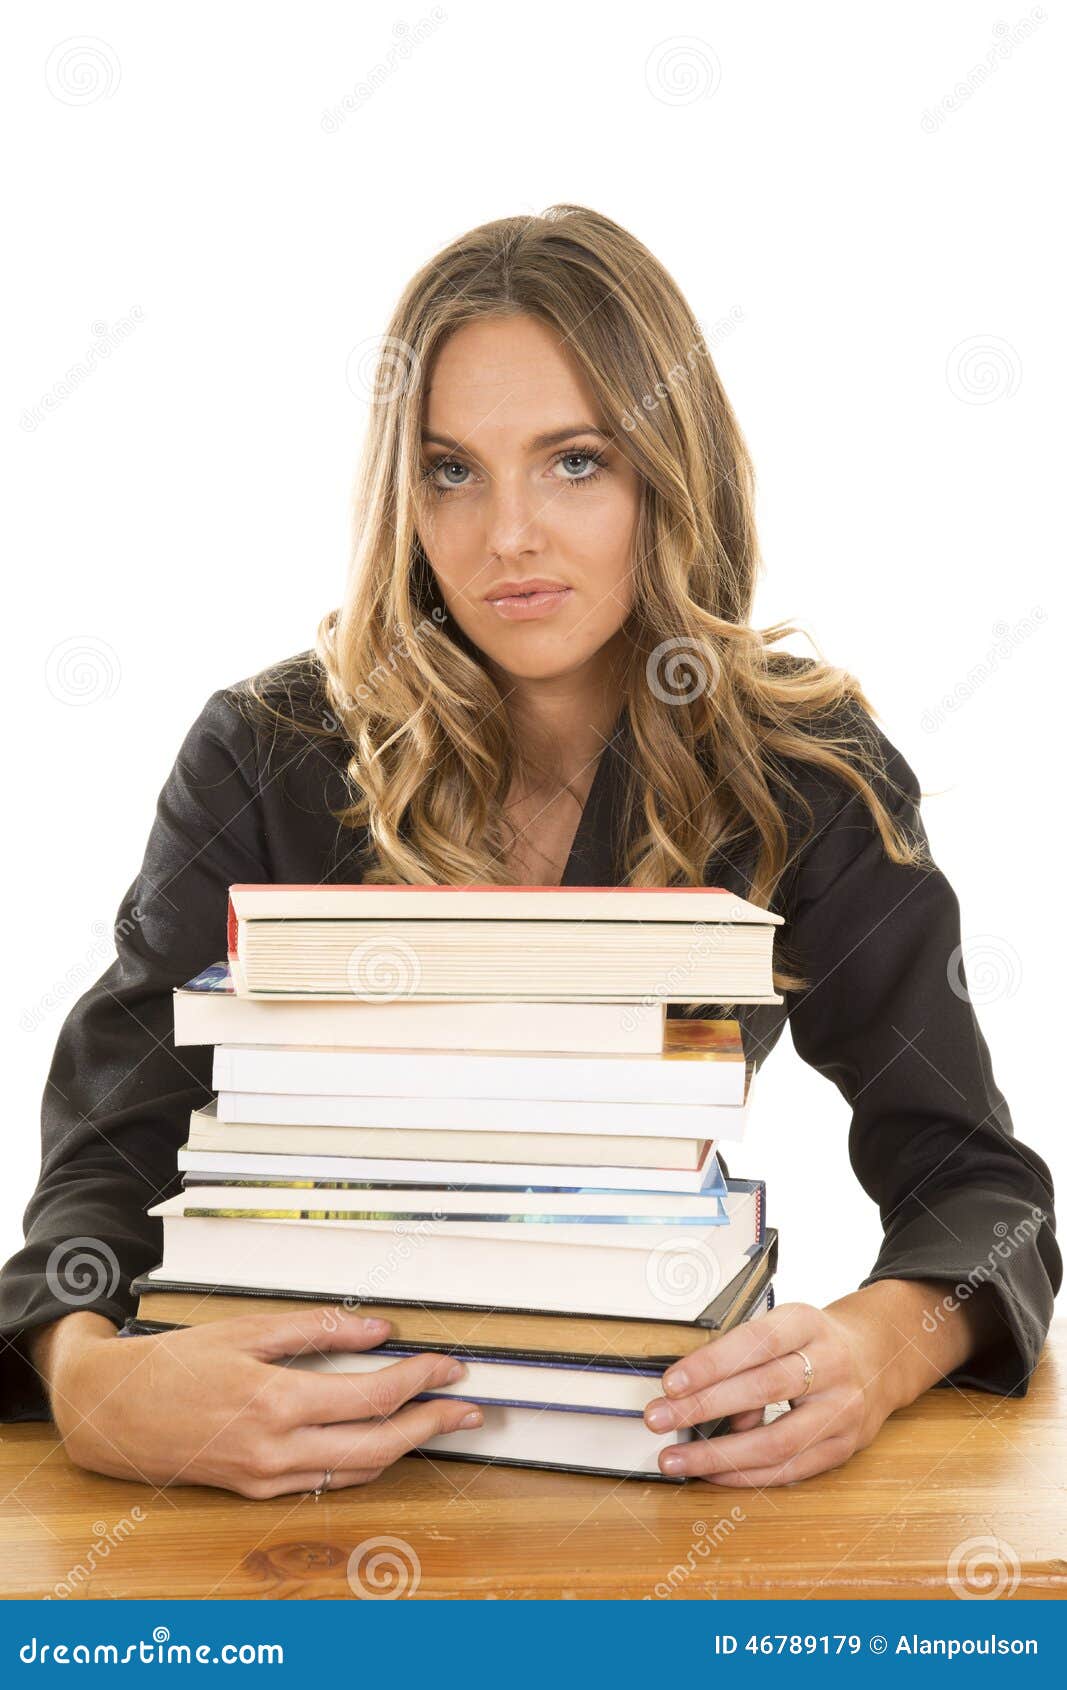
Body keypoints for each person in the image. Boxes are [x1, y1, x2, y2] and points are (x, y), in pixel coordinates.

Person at [1, 205, 1058, 1497]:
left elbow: (974, 1183)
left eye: (574, 462)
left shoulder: (799, 772)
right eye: (451, 470)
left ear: (669, 470)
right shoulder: (269, 752)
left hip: (638, 1464)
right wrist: (89, 1379)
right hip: (298, 1470)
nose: (508, 534)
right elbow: (112, 1150)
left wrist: (875, 1348)